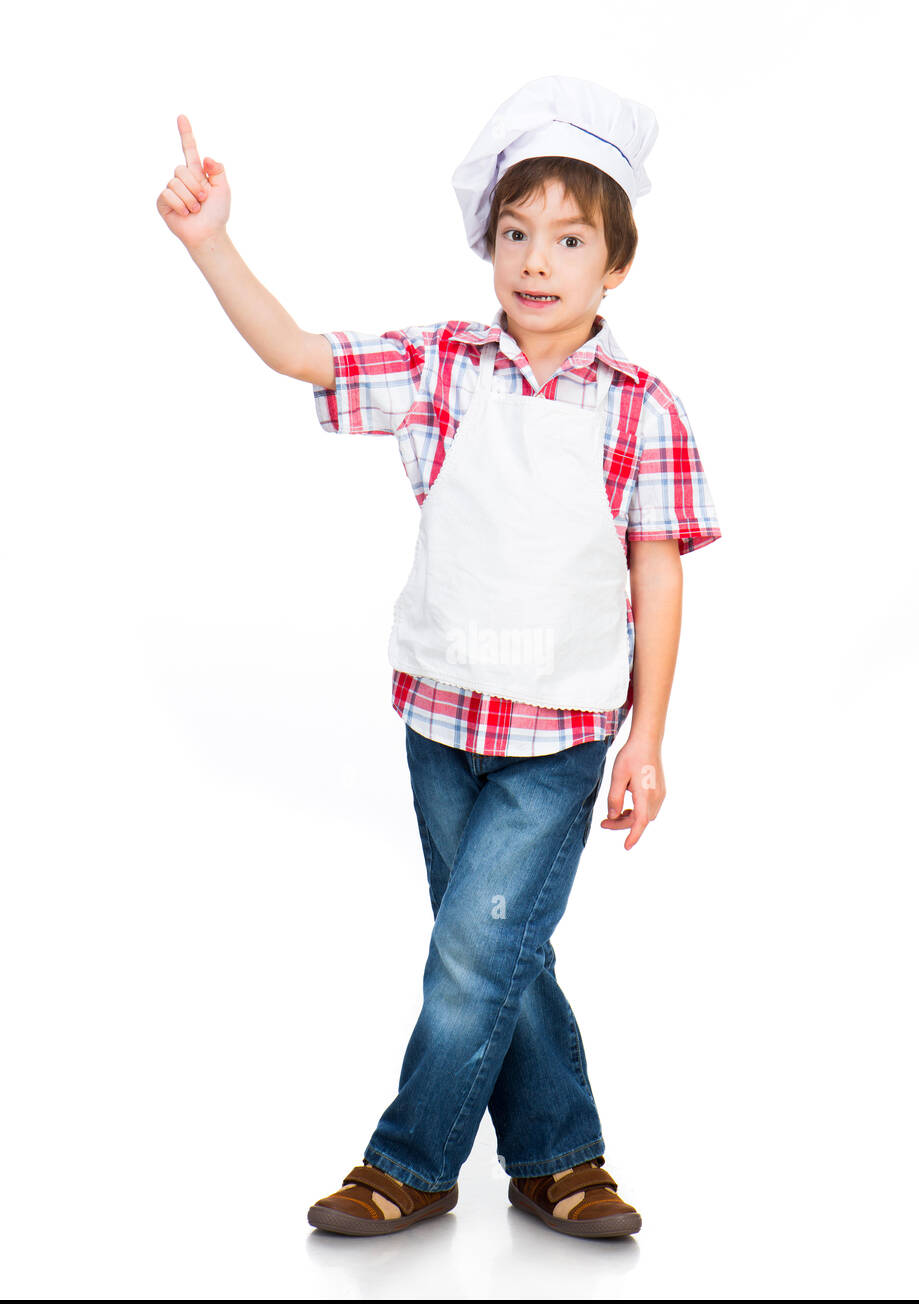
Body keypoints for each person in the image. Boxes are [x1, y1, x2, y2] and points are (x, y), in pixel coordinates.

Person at [156, 75, 721, 1241]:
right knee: (498, 948)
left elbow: (657, 574)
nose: (535, 259)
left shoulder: (639, 408)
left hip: (557, 737)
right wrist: (214, 245)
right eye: (515, 233)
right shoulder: (443, 365)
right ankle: (562, 1161)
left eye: (568, 238)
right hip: (439, 715)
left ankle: (405, 1164)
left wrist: (649, 739)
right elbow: (299, 353)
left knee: (474, 954)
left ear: (614, 265)